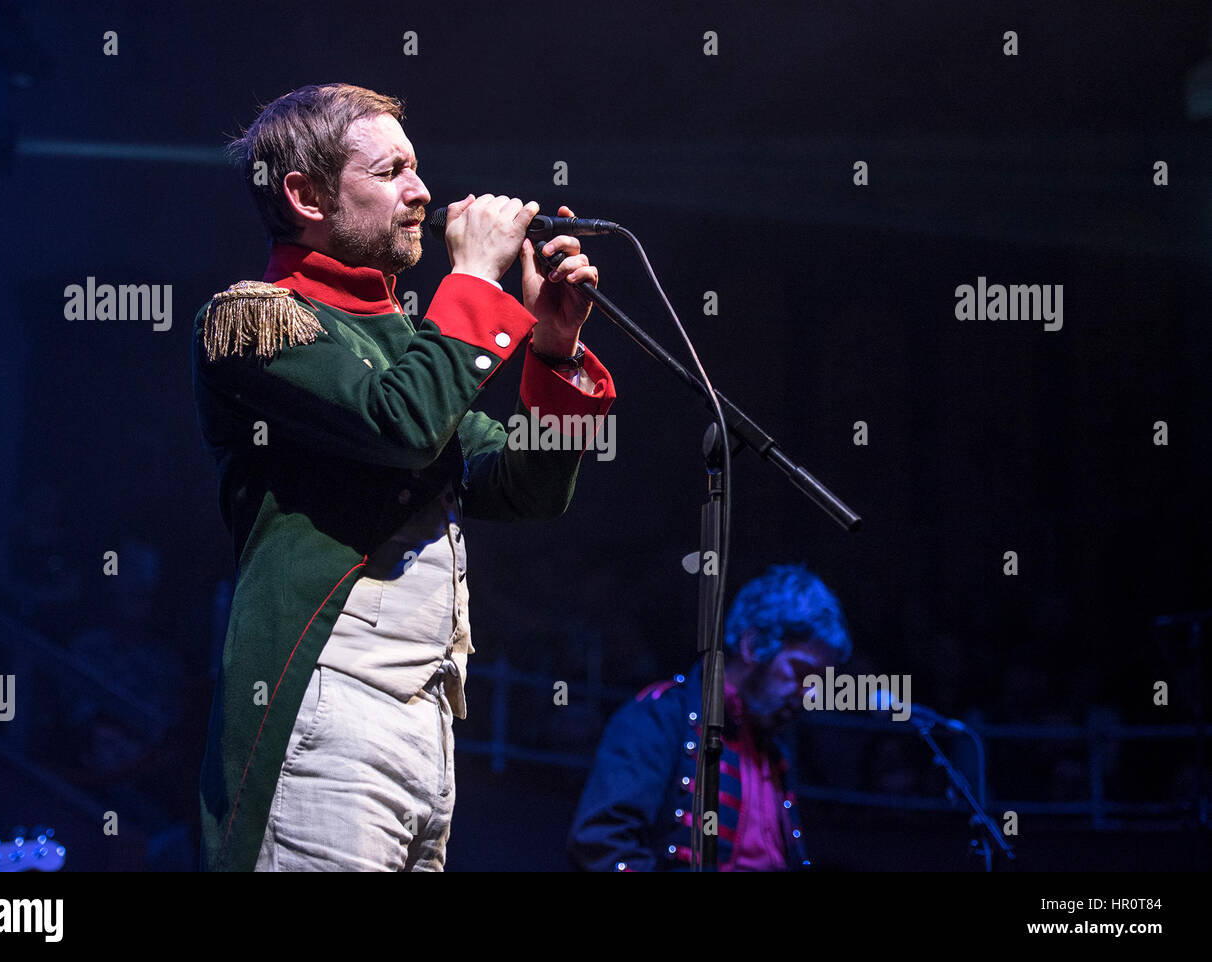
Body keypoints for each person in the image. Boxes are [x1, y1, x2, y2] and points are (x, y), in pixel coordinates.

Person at [193, 83, 615, 871]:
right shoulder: (254, 321)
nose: (422, 193)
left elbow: (521, 488)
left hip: (427, 722)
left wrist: (553, 352)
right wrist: (477, 285)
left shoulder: (411, 349)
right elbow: (403, 426)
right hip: (328, 703)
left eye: (416, 169)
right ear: (306, 194)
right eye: (391, 172)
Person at [568, 564, 850, 871]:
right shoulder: (662, 715)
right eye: (802, 672)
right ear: (754, 645)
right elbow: (600, 844)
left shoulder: (773, 753)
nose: (810, 695)